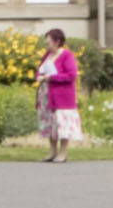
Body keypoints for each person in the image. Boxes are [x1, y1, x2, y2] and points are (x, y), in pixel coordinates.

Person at [34, 29, 83, 163]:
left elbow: (71, 75)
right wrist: (40, 76)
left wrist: (53, 77)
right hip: (47, 96)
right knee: (50, 123)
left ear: (57, 42)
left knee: (62, 124)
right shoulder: (47, 55)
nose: (47, 45)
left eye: (49, 42)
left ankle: (63, 153)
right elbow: (40, 70)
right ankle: (52, 152)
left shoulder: (67, 55)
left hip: (62, 97)